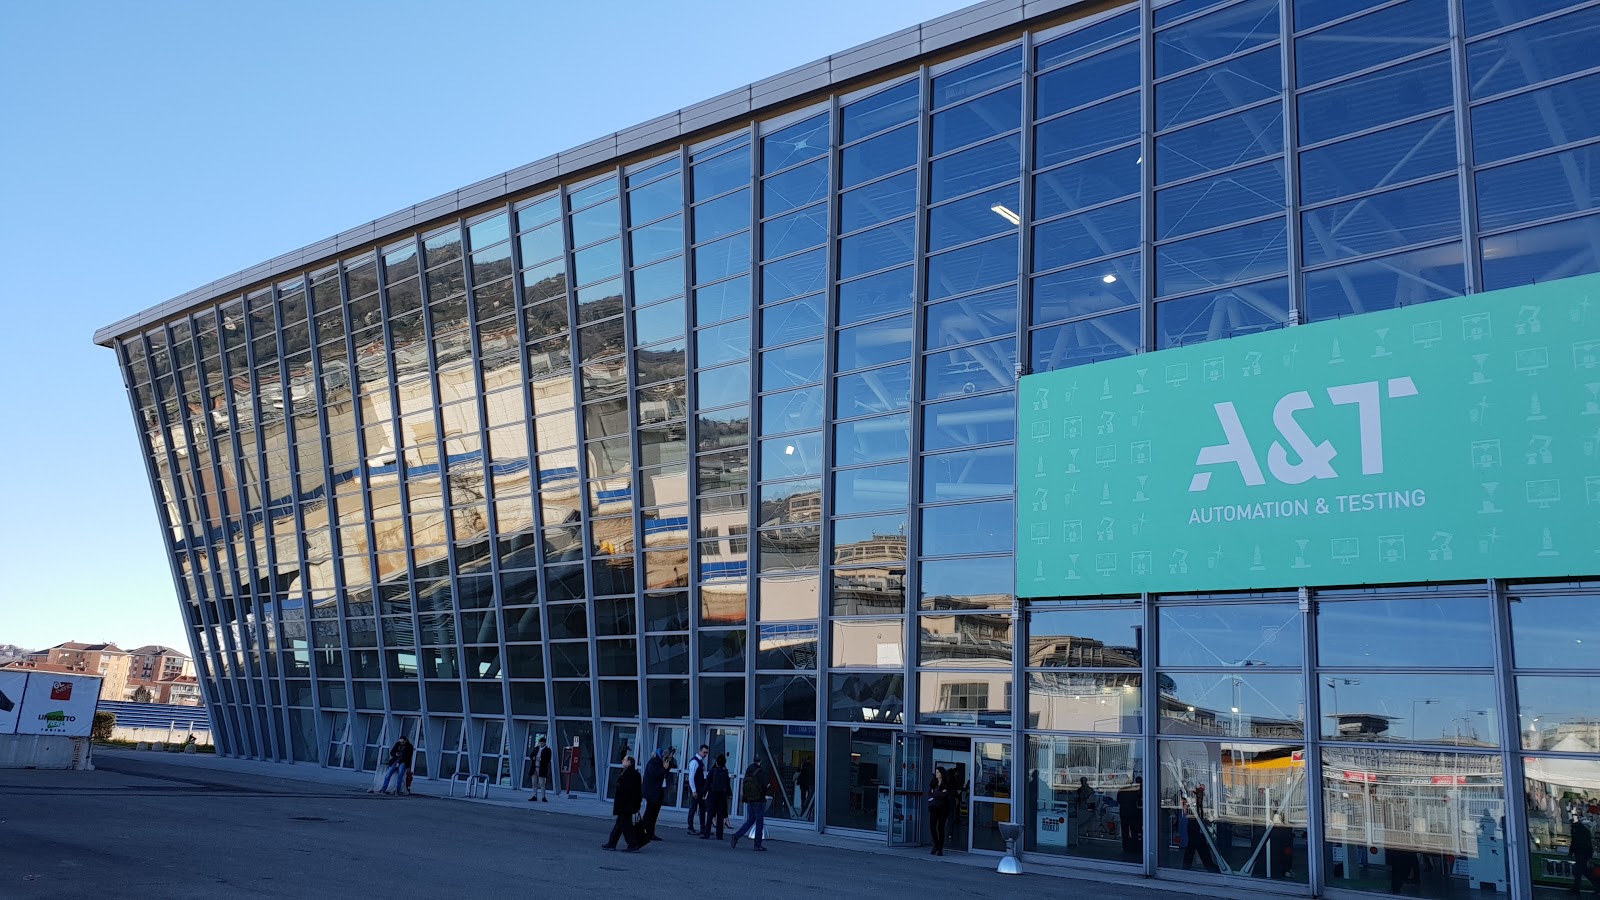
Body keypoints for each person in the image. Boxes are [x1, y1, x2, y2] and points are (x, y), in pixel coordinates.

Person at [602, 755, 645, 852]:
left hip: (626, 805)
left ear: (629, 762)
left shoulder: (629, 775)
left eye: (624, 759)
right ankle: (612, 843)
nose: (622, 761)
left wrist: (624, 805)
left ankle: (632, 844)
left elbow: (627, 792)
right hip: (627, 805)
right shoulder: (632, 773)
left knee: (626, 826)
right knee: (619, 825)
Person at [639, 747, 675, 843]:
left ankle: (651, 833)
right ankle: (642, 831)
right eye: (666, 758)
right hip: (652, 792)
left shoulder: (661, 762)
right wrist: (664, 768)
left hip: (658, 791)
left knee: (654, 814)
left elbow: (667, 770)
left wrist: (669, 761)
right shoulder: (653, 762)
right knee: (649, 813)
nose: (666, 760)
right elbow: (655, 773)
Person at [731, 761, 768, 851]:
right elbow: (763, 785)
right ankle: (757, 844)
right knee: (759, 821)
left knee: (751, 819)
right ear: (760, 762)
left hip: (750, 799)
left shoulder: (749, 770)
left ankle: (737, 835)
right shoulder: (760, 771)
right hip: (759, 799)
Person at [702, 752, 732, 840]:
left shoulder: (713, 771)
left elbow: (707, 783)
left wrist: (704, 793)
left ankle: (706, 833)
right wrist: (729, 794)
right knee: (720, 815)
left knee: (710, 814)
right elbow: (727, 784)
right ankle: (719, 835)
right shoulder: (725, 772)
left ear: (716, 762)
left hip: (713, 794)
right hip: (722, 795)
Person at [685, 745, 710, 834]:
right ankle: (690, 827)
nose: (705, 754)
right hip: (696, 788)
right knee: (693, 808)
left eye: (706, 753)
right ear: (700, 751)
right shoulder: (694, 762)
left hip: (700, 788)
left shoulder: (700, 762)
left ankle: (703, 828)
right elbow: (691, 777)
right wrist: (693, 790)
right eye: (704, 752)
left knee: (702, 808)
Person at [928, 767, 953, 856]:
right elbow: (931, 793)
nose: (937, 774)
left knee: (941, 828)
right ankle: (936, 845)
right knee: (932, 827)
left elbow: (944, 794)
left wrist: (936, 793)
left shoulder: (946, 784)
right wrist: (938, 793)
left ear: (942, 773)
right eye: (936, 772)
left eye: (938, 772)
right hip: (934, 807)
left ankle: (940, 848)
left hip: (943, 808)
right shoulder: (933, 782)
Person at [1573, 815, 1599, 895]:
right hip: (1584, 854)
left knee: (1581, 872)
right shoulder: (1585, 831)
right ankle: (1576, 888)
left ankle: (1577, 888)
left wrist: (1571, 851)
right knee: (1583, 871)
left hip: (1580, 854)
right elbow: (1588, 844)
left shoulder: (1577, 831)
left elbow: (1574, 842)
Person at [1118, 776, 1143, 854]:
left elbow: (1118, 800)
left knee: (1124, 830)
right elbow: (1137, 799)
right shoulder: (1133, 790)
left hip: (1123, 812)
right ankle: (1135, 847)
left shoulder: (1121, 790)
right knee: (1134, 830)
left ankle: (1125, 846)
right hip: (1132, 812)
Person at [527, 735, 553, 802]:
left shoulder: (547, 750)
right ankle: (534, 796)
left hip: (541, 769)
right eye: (540, 743)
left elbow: (548, 759)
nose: (541, 744)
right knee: (534, 782)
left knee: (542, 783)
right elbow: (531, 755)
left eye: (542, 743)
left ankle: (543, 797)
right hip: (534, 767)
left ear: (544, 743)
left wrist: (541, 759)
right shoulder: (536, 748)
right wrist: (533, 758)